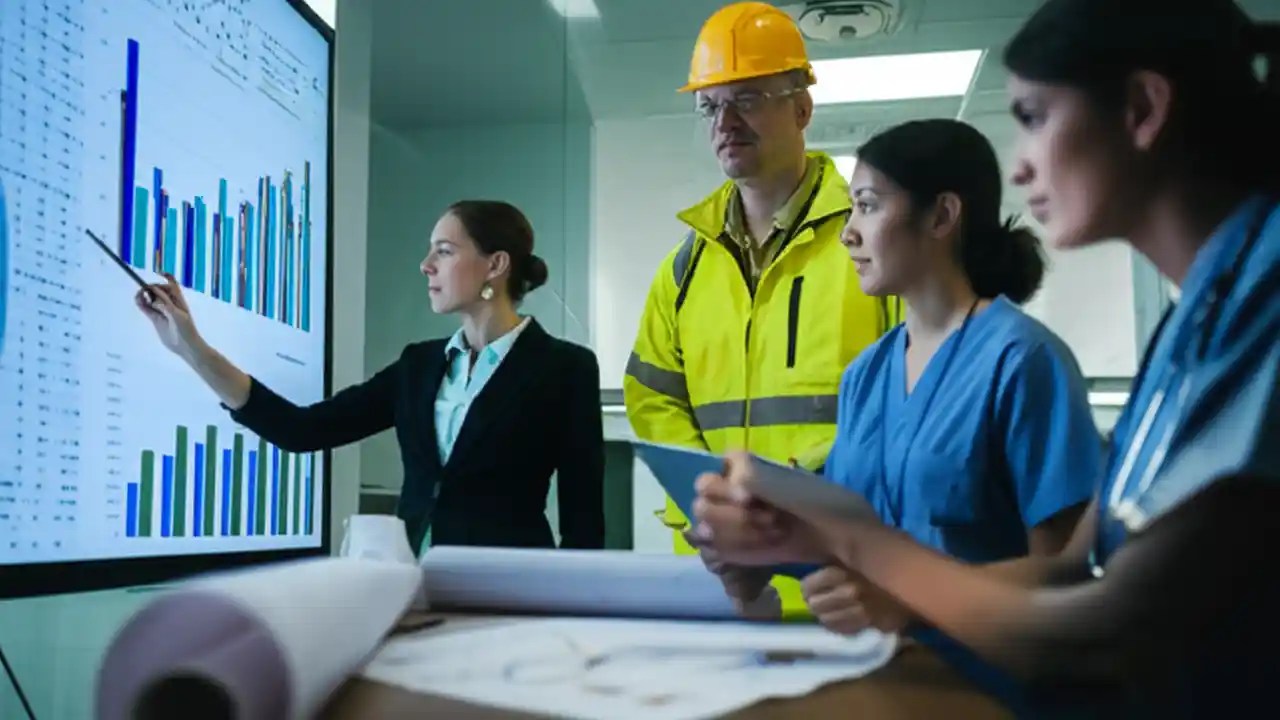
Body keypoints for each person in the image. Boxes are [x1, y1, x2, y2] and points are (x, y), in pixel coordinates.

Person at [693, 0, 1280, 714]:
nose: (1022, 165)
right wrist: (785, 543)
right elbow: (1081, 567)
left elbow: (1108, 618)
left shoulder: (1258, 301)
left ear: (1141, 108)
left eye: (1033, 118)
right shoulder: (1199, 321)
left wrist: (877, 561)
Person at [702, 118, 1101, 628]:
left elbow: (1064, 576)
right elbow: (852, 544)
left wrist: (915, 603)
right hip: (873, 662)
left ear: (941, 215)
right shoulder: (866, 375)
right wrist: (759, 559)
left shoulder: (1022, 361)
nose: (848, 232)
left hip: (987, 676)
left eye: (867, 206)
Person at [623, 0, 900, 619]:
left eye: (746, 98)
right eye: (710, 105)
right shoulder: (686, 266)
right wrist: (711, 503)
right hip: (716, 581)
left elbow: (910, 403)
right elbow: (652, 396)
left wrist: (793, 506)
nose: (725, 121)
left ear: (801, 108)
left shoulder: (873, 245)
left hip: (843, 582)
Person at [136, 200, 606, 553]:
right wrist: (192, 349)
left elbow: (585, 520)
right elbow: (302, 429)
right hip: (412, 594)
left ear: (495, 264)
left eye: (443, 251)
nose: (426, 265)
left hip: (512, 601)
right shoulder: (418, 367)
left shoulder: (565, 368)